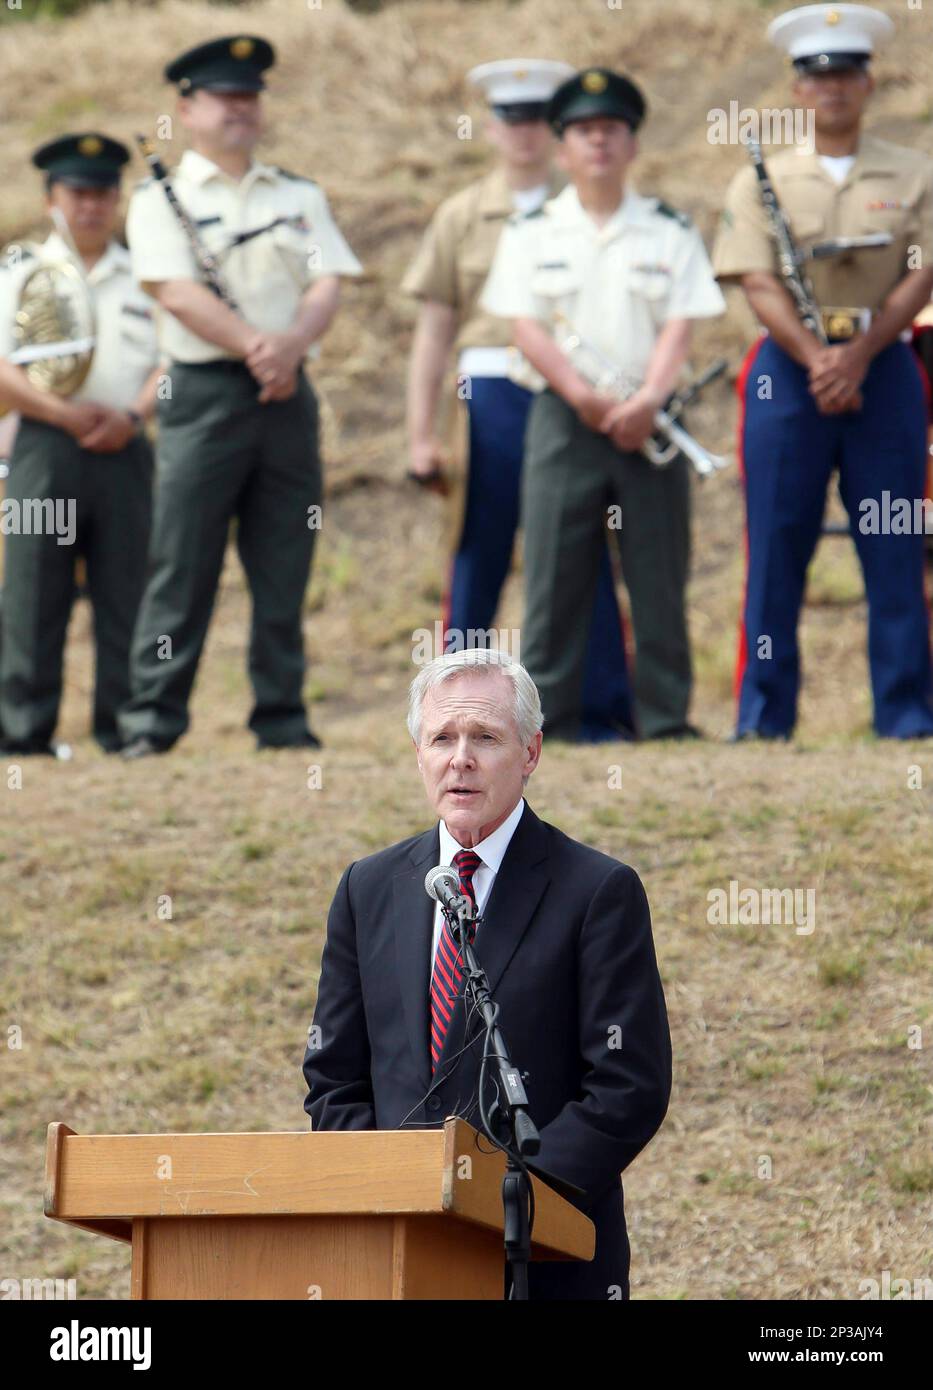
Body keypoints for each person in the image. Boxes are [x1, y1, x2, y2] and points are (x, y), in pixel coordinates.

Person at [302, 647, 671, 1301]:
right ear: (418, 753)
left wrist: (500, 1201)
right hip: (398, 1255)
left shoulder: (596, 891)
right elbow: (334, 1080)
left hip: (545, 1261)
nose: (459, 758)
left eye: (484, 738)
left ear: (529, 752)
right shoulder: (368, 888)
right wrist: (394, 1193)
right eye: (441, 737)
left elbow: (626, 1085)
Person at [118, 35, 361, 757]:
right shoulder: (160, 196)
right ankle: (151, 722)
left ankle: (281, 720)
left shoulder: (297, 193)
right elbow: (174, 290)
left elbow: (328, 279)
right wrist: (258, 345)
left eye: (249, 97)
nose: (240, 110)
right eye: (224, 98)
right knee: (181, 566)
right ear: (187, 109)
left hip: (286, 392)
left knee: (284, 561)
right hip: (203, 393)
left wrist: (289, 348)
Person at [480, 69, 725, 742]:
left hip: (652, 418)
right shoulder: (532, 230)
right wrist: (583, 396)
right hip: (565, 416)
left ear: (631, 144)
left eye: (610, 131)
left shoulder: (667, 229)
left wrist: (647, 397)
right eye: (583, 133)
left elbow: (681, 322)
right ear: (562, 149)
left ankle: (666, 718)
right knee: (554, 576)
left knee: (657, 572)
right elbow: (523, 327)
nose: (598, 144)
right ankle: (547, 725)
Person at [712, 4, 933, 740]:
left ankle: (904, 717)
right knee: (775, 548)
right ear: (797, 90)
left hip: (885, 367)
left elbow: (922, 269)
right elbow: (756, 280)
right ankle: (763, 719)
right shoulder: (759, 178)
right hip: (788, 374)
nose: (833, 86)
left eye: (846, 73)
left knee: (895, 548)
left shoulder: (914, 171)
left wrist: (860, 352)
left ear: (868, 83)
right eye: (818, 75)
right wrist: (820, 360)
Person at [402, 59, 635, 741]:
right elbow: (434, 330)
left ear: (555, 129)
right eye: (510, 117)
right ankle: (451, 719)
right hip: (488, 395)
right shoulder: (461, 214)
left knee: (578, 552)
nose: (524, 132)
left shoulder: (588, 212)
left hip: (566, 393)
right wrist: (420, 431)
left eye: (538, 118)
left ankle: (595, 712)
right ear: (493, 126)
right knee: (477, 550)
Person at [0, 134, 160, 756]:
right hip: (46, 445)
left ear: (117, 200)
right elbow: (4, 365)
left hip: (125, 447)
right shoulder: (19, 269)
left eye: (102, 194)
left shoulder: (145, 273)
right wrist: (65, 415)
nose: (90, 207)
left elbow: (169, 364)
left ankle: (123, 730)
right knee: (33, 592)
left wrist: (131, 414)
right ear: (51, 200)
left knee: (128, 591)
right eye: (77, 194)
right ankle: (22, 733)